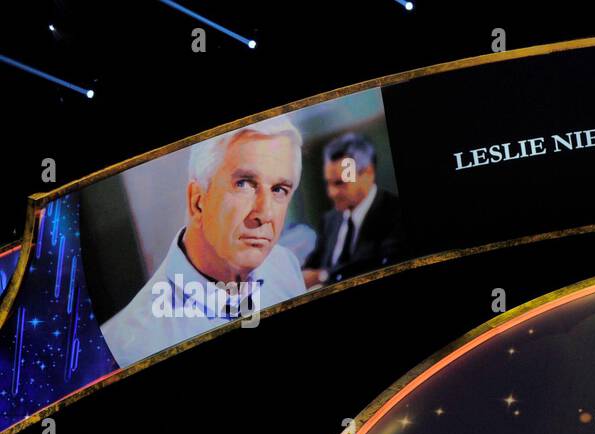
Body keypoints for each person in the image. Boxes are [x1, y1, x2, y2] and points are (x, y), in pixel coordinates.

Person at [100, 116, 307, 368]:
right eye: (243, 184)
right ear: (197, 201)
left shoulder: (284, 264)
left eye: (279, 190)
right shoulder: (128, 349)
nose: (264, 213)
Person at [301, 132, 404, 287]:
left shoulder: (395, 214)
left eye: (340, 183)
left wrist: (323, 275)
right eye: (329, 183)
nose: (331, 193)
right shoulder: (330, 220)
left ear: (368, 173)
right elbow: (310, 267)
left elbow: (381, 265)